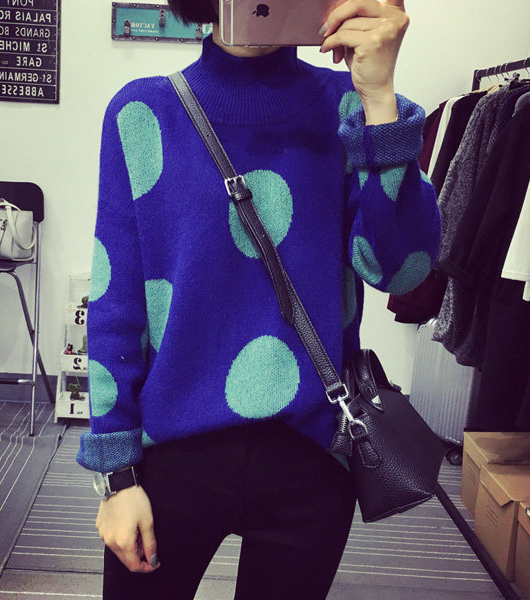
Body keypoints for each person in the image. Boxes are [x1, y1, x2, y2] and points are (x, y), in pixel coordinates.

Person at [76, 0, 441, 598]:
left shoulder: (349, 108)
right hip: (170, 459)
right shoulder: (142, 112)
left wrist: (380, 99)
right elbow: (116, 303)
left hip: (313, 455)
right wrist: (117, 475)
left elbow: (403, 272)